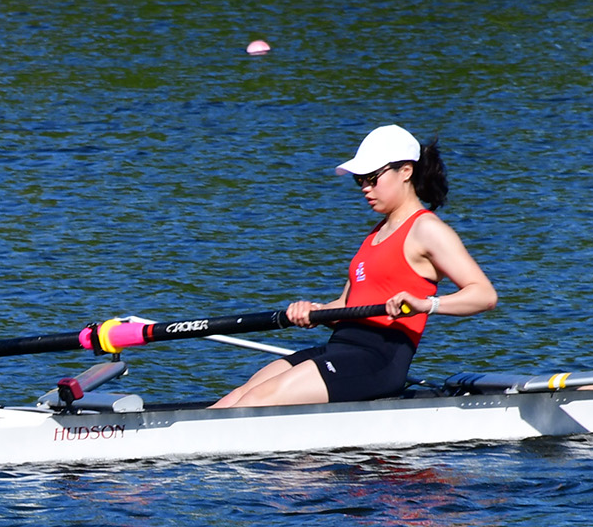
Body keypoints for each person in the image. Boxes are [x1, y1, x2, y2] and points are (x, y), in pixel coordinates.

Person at [213, 125, 497, 409]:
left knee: (255, 401)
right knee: (235, 398)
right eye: (360, 180)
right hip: (340, 348)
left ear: (406, 171)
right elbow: (345, 307)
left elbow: (484, 295)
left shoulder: (427, 229)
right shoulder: (375, 234)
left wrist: (425, 304)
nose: (365, 188)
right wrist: (315, 312)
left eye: (373, 178)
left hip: (379, 359)